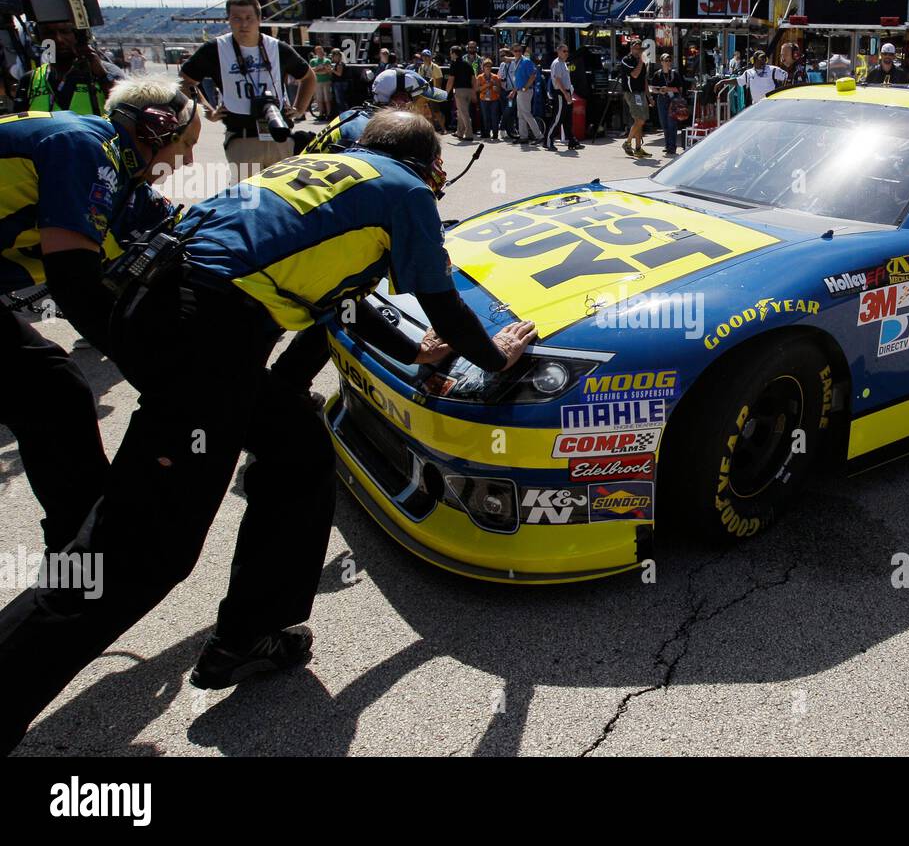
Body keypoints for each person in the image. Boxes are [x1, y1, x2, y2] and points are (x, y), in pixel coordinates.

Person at [0, 110, 537, 755]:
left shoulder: (316, 170)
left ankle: (251, 633)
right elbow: (441, 297)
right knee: (141, 554)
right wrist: (494, 358)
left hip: (169, 310)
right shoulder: (406, 188)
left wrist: (412, 351)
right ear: (432, 165)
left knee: (299, 449)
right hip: (206, 335)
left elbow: (340, 300)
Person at [0, 75, 197, 557]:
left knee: (46, 388)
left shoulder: (111, 159)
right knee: (51, 389)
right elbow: (75, 284)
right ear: (155, 128)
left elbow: (175, 234)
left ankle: (87, 534)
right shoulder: (83, 147)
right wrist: (154, 374)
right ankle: (86, 544)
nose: (189, 160)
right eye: (185, 145)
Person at [180, 0, 314, 180]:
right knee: (249, 200)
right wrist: (208, 111)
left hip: (280, 137)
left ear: (259, 19)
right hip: (241, 138)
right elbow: (185, 81)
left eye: (249, 18)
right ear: (228, 20)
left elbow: (308, 77)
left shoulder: (277, 48)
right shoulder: (215, 49)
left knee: (284, 201)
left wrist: (300, 108)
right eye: (237, 18)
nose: (244, 24)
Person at [13, 0, 124, 115]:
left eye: (65, 31)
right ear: (38, 38)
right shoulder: (29, 80)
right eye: (48, 33)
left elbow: (128, 111)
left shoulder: (108, 72)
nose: (58, 39)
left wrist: (103, 76)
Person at [305, 67, 446, 154]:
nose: (428, 113)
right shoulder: (371, 138)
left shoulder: (353, 117)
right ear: (401, 103)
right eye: (425, 105)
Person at [545, 44, 582, 151]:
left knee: (567, 119)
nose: (566, 53)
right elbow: (557, 80)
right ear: (559, 52)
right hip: (561, 93)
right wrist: (565, 94)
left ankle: (571, 141)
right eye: (564, 51)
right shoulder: (557, 63)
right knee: (558, 118)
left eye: (567, 51)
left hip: (567, 92)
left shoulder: (563, 63)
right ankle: (548, 141)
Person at [649, 51, 686, 156]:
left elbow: (679, 89)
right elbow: (652, 88)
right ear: (661, 62)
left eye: (669, 60)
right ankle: (667, 145)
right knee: (664, 123)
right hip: (662, 99)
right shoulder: (657, 74)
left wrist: (668, 88)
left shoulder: (674, 73)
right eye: (666, 60)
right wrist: (659, 91)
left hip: (672, 100)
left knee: (672, 124)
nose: (668, 62)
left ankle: (672, 147)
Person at [620, 40, 651, 157]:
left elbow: (644, 80)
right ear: (631, 49)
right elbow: (635, 74)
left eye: (640, 48)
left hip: (641, 94)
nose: (638, 51)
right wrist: (641, 62)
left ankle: (638, 148)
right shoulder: (626, 60)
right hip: (631, 93)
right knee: (640, 120)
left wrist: (649, 96)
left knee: (639, 121)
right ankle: (627, 142)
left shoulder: (641, 62)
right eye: (636, 48)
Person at [509, 42, 544, 145]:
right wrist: (514, 91)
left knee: (526, 114)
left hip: (525, 91)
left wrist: (525, 87)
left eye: (520, 50)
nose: (518, 52)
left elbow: (533, 75)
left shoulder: (526, 61)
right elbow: (518, 80)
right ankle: (523, 136)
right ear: (512, 52)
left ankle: (539, 136)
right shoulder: (516, 62)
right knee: (520, 115)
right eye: (516, 51)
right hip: (520, 91)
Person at [446, 45, 476, 141]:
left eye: (451, 53)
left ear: (454, 54)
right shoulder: (467, 64)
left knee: (463, 112)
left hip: (459, 90)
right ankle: (459, 132)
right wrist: (474, 92)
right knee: (460, 112)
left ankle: (469, 134)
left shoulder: (454, 64)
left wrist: (446, 92)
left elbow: (451, 80)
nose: (450, 55)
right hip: (469, 90)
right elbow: (473, 79)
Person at [476, 58, 504, 141]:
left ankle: (495, 134)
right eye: (486, 66)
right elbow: (477, 89)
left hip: (494, 99)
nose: (487, 67)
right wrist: (486, 86)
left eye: (489, 66)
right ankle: (487, 133)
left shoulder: (496, 77)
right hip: (483, 99)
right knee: (485, 117)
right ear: (483, 67)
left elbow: (499, 90)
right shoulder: (480, 77)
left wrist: (496, 89)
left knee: (494, 116)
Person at [308, 45, 334, 121]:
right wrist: (318, 68)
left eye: (321, 50)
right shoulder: (313, 61)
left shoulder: (327, 60)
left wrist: (318, 71)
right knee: (319, 99)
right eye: (318, 51)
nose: (320, 52)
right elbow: (311, 70)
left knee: (327, 99)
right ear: (316, 52)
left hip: (326, 81)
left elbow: (328, 71)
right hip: (317, 82)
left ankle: (329, 114)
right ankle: (321, 114)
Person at [329, 48, 349, 114]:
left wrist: (332, 70)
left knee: (340, 100)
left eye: (334, 56)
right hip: (339, 83)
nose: (333, 58)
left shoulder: (340, 64)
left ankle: (343, 114)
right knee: (341, 100)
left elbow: (339, 74)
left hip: (339, 83)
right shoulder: (338, 63)